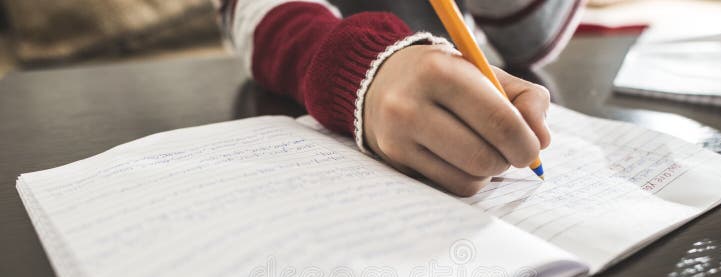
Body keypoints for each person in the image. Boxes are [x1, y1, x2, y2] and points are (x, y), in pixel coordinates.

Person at [215, 0, 585, 196]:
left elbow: (530, 37)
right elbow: (255, 11)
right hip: (333, 91)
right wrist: (360, 63)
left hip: (471, 71)